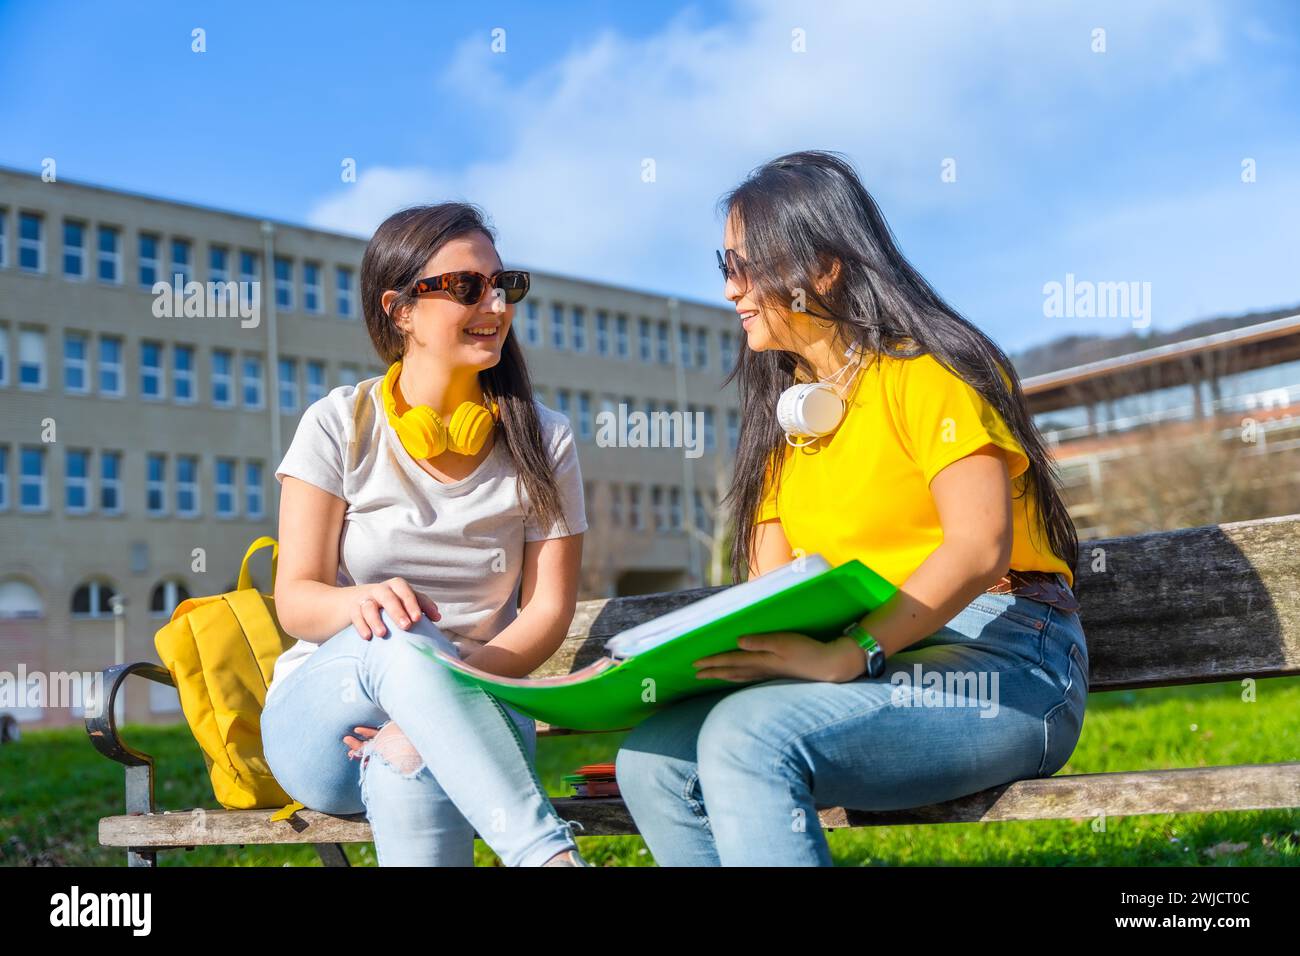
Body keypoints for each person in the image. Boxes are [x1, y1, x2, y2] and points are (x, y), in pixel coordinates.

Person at [615, 150, 1089, 866]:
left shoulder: (931, 373)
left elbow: (976, 547)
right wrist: (633, 676)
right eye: (726, 266)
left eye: (747, 266)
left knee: (749, 740)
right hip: (878, 666)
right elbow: (770, 598)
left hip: (1008, 665)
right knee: (651, 761)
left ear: (825, 266)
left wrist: (853, 650)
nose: (731, 290)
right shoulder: (784, 427)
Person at [261, 202, 590, 866]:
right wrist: (366, 604)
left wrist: (440, 697)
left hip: (481, 709)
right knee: (400, 629)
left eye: (505, 285)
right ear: (400, 308)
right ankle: (547, 857)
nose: (495, 303)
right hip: (324, 723)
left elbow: (548, 610)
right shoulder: (337, 423)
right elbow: (296, 598)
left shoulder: (545, 438)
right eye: (467, 287)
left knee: (411, 762)